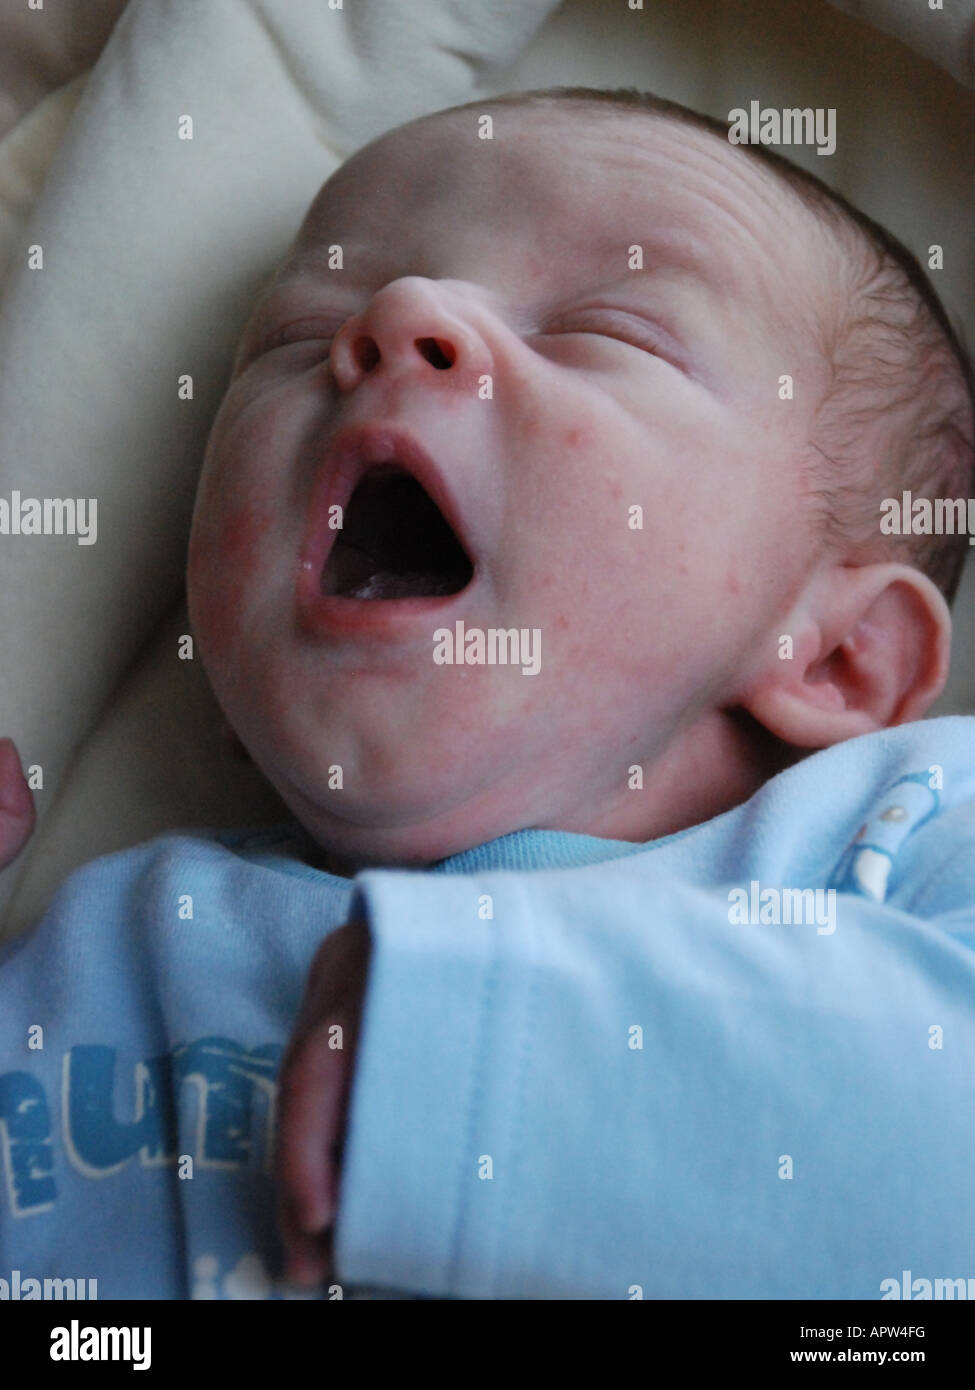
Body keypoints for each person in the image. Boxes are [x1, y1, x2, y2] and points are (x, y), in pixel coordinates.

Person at [2, 88, 974, 1301]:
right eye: (302, 331)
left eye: (608, 330)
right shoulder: (116, 940)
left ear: (837, 658)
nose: (396, 316)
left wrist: (493, 1050)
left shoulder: (900, 838)